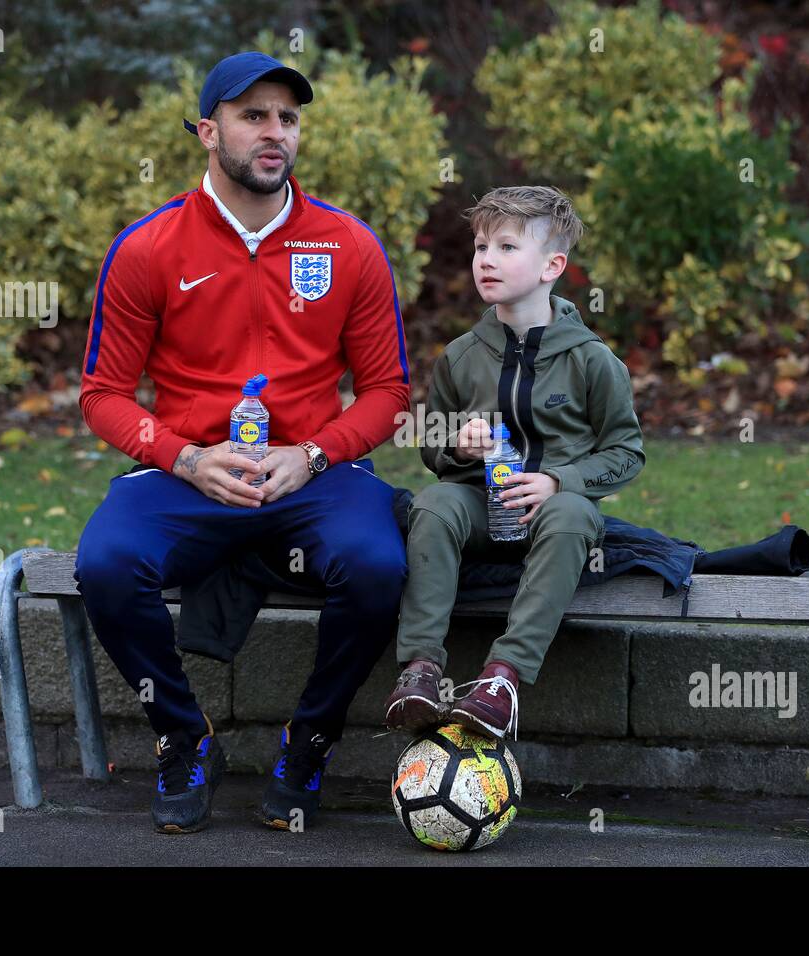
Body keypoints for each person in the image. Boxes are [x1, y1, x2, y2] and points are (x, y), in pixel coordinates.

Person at [75, 51, 410, 833]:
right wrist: (186, 458)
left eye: (287, 119)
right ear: (206, 129)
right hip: (190, 473)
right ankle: (185, 740)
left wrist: (314, 454)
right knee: (105, 564)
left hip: (315, 475)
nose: (274, 133)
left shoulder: (347, 244)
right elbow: (103, 396)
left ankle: (311, 741)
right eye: (252, 115)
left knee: (378, 565)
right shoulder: (149, 247)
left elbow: (390, 392)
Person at [384, 185, 645, 739]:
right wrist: (456, 445)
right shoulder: (461, 356)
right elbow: (430, 446)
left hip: (554, 520)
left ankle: (501, 679)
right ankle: (421, 669)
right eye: (481, 247)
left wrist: (560, 480)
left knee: (572, 514)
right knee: (432, 505)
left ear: (553, 265)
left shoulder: (592, 361)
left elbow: (626, 452)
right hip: (482, 508)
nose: (486, 260)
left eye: (506, 247)